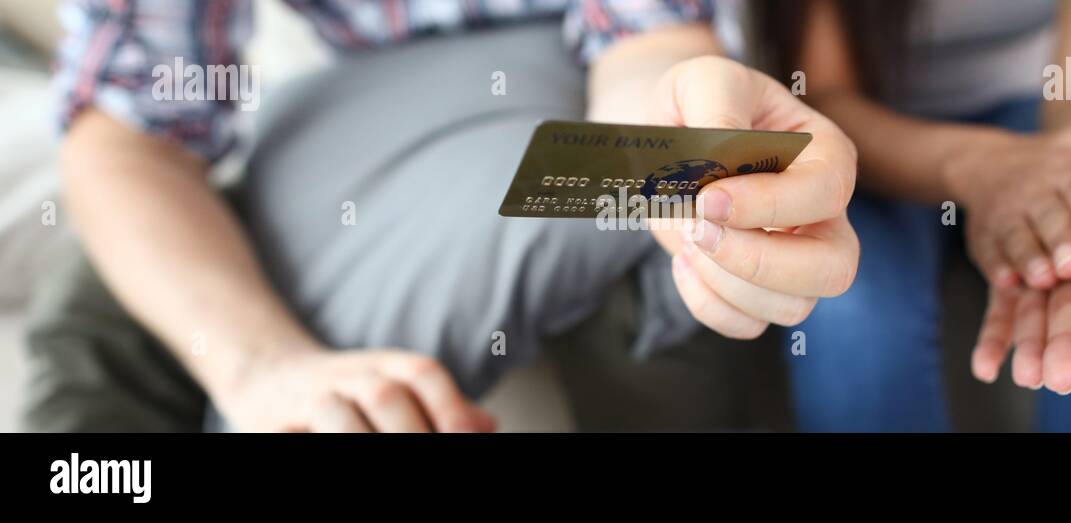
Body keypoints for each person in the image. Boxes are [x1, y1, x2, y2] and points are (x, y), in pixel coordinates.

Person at [28, 0, 855, 432]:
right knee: (89, 338)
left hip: (561, 90)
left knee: (618, 276)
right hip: (348, 119)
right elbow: (128, 135)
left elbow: (645, 42)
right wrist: (263, 368)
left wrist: (682, 153)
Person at [758, 0, 1071, 431]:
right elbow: (824, 98)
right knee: (856, 324)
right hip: (859, 128)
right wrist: (980, 168)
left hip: (1038, 97)